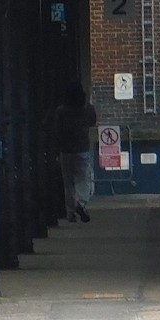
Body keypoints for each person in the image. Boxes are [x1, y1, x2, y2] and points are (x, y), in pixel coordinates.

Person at [53, 81, 97, 223]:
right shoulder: (88, 109)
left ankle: (70, 212)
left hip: (65, 150)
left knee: (68, 182)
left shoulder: (61, 111)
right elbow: (92, 122)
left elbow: (57, 130)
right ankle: (81, 204)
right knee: (84, 180)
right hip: (82, 149)